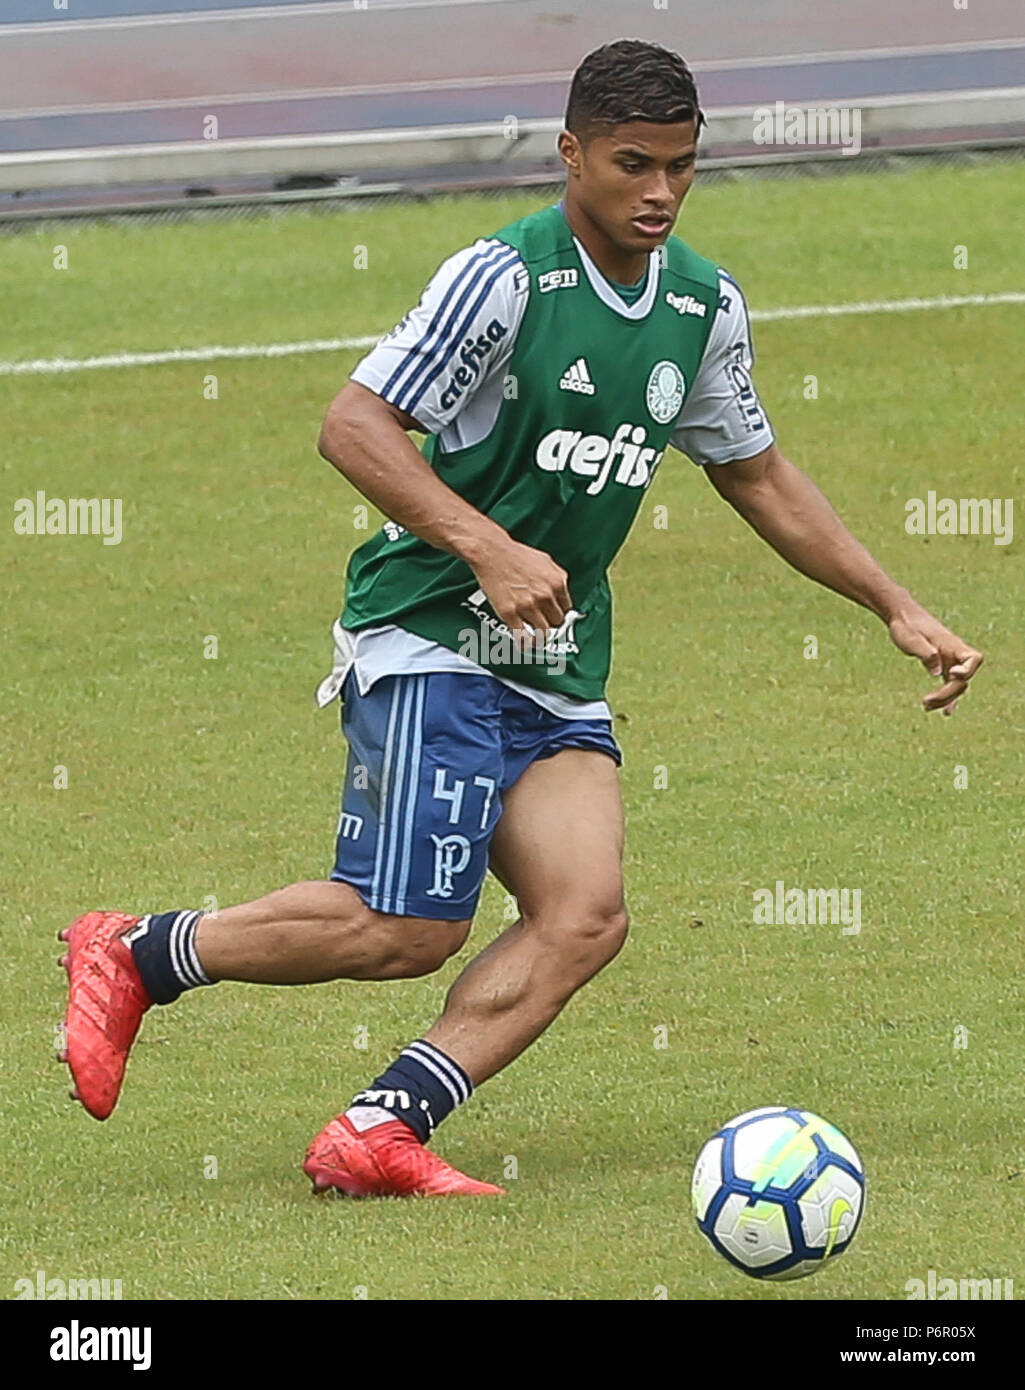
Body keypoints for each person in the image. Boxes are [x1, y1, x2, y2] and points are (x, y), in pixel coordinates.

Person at [58, 39, 982, 1197]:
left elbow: (753, 472)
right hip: (429, 630)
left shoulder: (701, 303)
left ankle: (375, 1131)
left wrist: (894, 606)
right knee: (405, 926)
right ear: (570, 153)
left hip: (552, 658)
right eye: (631, 164)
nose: (657, 193)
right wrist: (487, 547)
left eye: (681, 168)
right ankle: (137, 951)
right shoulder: (503, 278)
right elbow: (352, 425)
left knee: (584, 915)